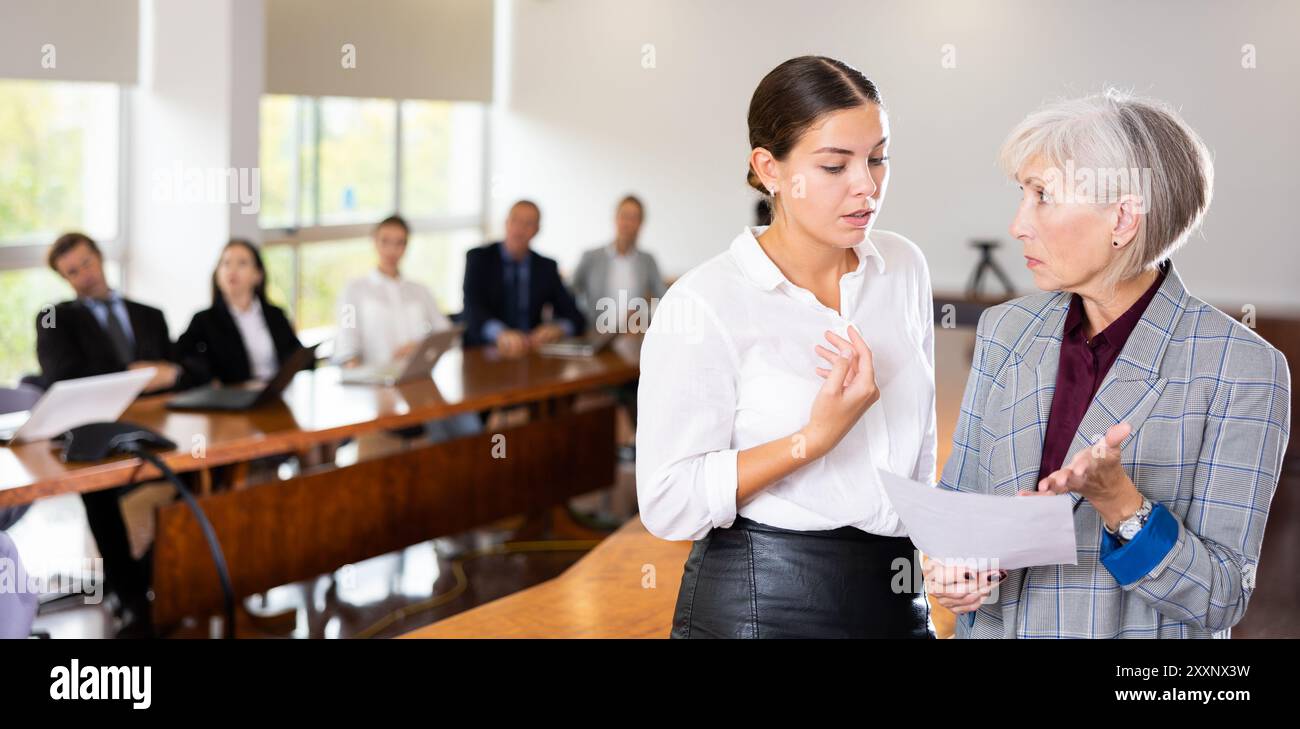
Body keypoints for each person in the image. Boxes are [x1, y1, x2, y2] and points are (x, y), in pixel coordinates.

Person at [927, 90, 1291, 638]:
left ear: (1122, 217)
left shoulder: (1242, 368)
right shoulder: (1006, 332)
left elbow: (1219, 599)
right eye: (1022, 194)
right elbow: (957, 516)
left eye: (1042, 196)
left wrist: (1121, 503)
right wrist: (950, 573)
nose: (1018, 224)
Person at [636, 56, 936, 638]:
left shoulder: (903, 268)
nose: (866, 186)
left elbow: (916, 454)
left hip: (899, 598)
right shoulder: (705, 302)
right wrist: (813, 440)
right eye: (834, 165)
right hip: (761, 607)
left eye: (878, 158)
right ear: (769, 168)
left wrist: (955, 543)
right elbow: (669, 500)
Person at [35, 232, 193, 636]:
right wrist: (132, 378)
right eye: (71, 272)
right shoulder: (57, 318)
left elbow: (181, 371)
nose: (83, 276)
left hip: (159, 429)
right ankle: (134, 599)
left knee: (207, 473)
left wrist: (171, 373)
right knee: (98, 490)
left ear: (100, 258)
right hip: (100, 435)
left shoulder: (149, 313)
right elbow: (60, 378)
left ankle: (160, 576)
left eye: (86, 263)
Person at [334, 215, 478, 444]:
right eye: (385, 241)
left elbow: (447, 335)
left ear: (406, 246)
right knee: (439, 426)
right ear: (374, 242)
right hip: (380, 386)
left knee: (467, 422)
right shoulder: (355, 291)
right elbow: (346, 343)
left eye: (399, 242)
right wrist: (355, 371)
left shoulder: (419, 290)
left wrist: (420, 346)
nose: (392, 250)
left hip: (420, 378)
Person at [461, 200, 586, 357]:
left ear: (537, 230)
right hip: (485, 353)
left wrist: (558, 328)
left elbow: (575, 316)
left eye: (528, 224)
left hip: (531, 352)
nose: (520, 229)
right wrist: (501, 333)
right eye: (515, 221)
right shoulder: (479, 259)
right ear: (506, 223)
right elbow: (472, 309)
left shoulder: (546, 266)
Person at [177, 239, 304, 385]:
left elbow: (296, 355)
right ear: (217, 275)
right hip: (232, 398)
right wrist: (209, 377)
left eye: (242, 263)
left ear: (258, 275)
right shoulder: (204, 320)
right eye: (226, 263)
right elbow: (181, 355)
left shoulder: (275, 314)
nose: (232, 270)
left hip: (275, 394)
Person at [571, 195, 666, 335]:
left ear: (641, 224)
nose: (628, 223)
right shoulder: (591, 257)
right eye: (624, 216)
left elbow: (663, 299)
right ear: (615, 218)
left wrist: (644, 314)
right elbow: (570, 294)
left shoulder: (648, 261)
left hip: (632, 336)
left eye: (634, 218)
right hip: (595, 334)